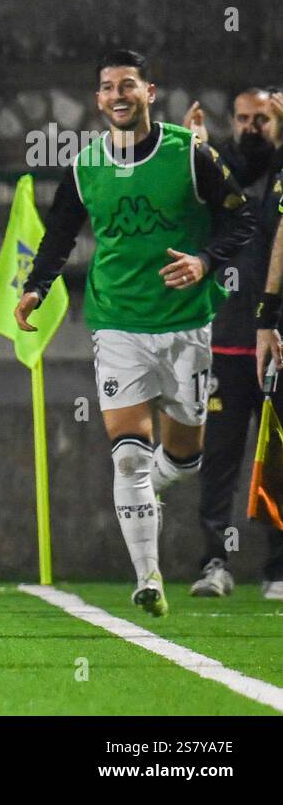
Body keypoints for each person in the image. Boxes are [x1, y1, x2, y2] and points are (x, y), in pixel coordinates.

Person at [16, 49, 255, 617]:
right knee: (127, 456)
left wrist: (204, 260)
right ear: (98, 99)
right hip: (118, 324)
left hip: (187, 324)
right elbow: (60, 233)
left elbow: (241, 219)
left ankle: (150, 489)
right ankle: (148, 577)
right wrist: (37, 286)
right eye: (107, 87)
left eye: (128, 85)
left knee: (185, 455)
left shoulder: (190, 154)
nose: (117, 95)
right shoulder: (85, 166)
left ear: (149, 93)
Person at [181, 88, 283, 597]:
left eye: (261, 118)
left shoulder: (278, 177)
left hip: (276, 343)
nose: (250, 127)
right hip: (224, 343)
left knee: (278, 459)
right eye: (242, 118)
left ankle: (278, 568)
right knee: (219, 459)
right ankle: (215, 562)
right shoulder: (221, 173)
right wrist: (195, 151)